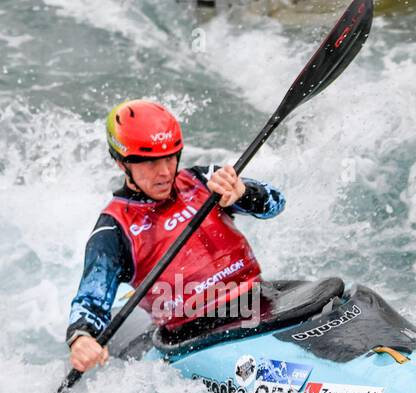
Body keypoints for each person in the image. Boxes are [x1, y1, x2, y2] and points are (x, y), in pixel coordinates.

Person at [67, 99, 286, 373]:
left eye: (170, 157)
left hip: (257, 303)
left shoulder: (204, 181)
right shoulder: (113, 230)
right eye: (149, 162)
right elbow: (90, 302)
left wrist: (244, 192)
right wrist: (81, 338)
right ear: (122, 164)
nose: (164, 172)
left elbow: (276, 203)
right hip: (195, 339)